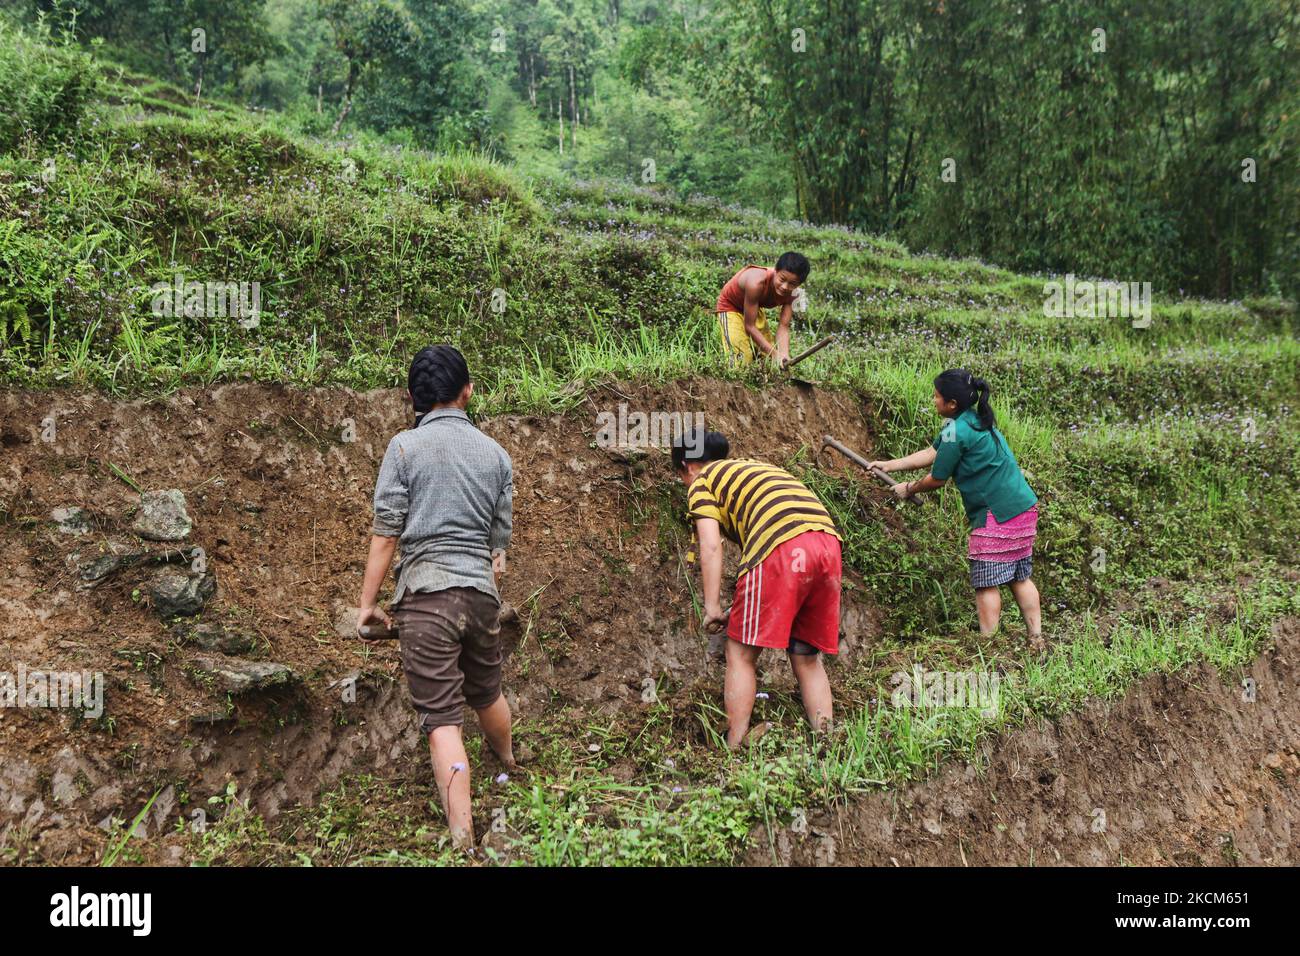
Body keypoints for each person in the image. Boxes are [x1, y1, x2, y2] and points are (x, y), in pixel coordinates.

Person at [357, 344, 515, 851]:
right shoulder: (496, 454)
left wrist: (368, 606)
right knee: (486, 690)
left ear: (412, 398)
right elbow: (498, 540)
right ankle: (510, 762)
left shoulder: (404, 448)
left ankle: (465, 840)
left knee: (443, 720)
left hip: (426, 597)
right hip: (482, 595)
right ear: (468, 391)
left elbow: (386, 534)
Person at [673, 428, 842, 748]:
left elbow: (710, 545)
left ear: (688, 466)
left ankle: (733, 746)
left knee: (739, 652)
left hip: (780, 547)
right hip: (827, 545)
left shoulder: (701, 482)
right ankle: (827, 741)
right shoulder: (755, 468)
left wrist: (711, 607)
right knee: (806, 656)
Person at [869, 369, 1043, 650]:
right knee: (1019, 577)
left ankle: (988, 648)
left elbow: (937, 479)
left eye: (937, 397)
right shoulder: (973, 419)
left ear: (951, 404)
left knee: (986, 582)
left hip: (997, 514)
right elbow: (932, 453)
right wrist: (888, 465)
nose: (933, 400)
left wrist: (909, 488)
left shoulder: (956, 429)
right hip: (1023, 508)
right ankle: (1036, 639)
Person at [715, 252, 809, 366]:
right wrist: (774, 353)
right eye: (782, 279)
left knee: (768, 360)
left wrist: (784, 355)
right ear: (776, 271)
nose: (785, 287)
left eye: (792, 284)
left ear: (799, 284)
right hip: (731, 307)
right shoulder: (756, 282)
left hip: (753, 308)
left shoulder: (794, 294)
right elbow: (749, 326)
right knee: (741, 361)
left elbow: (783, 326)